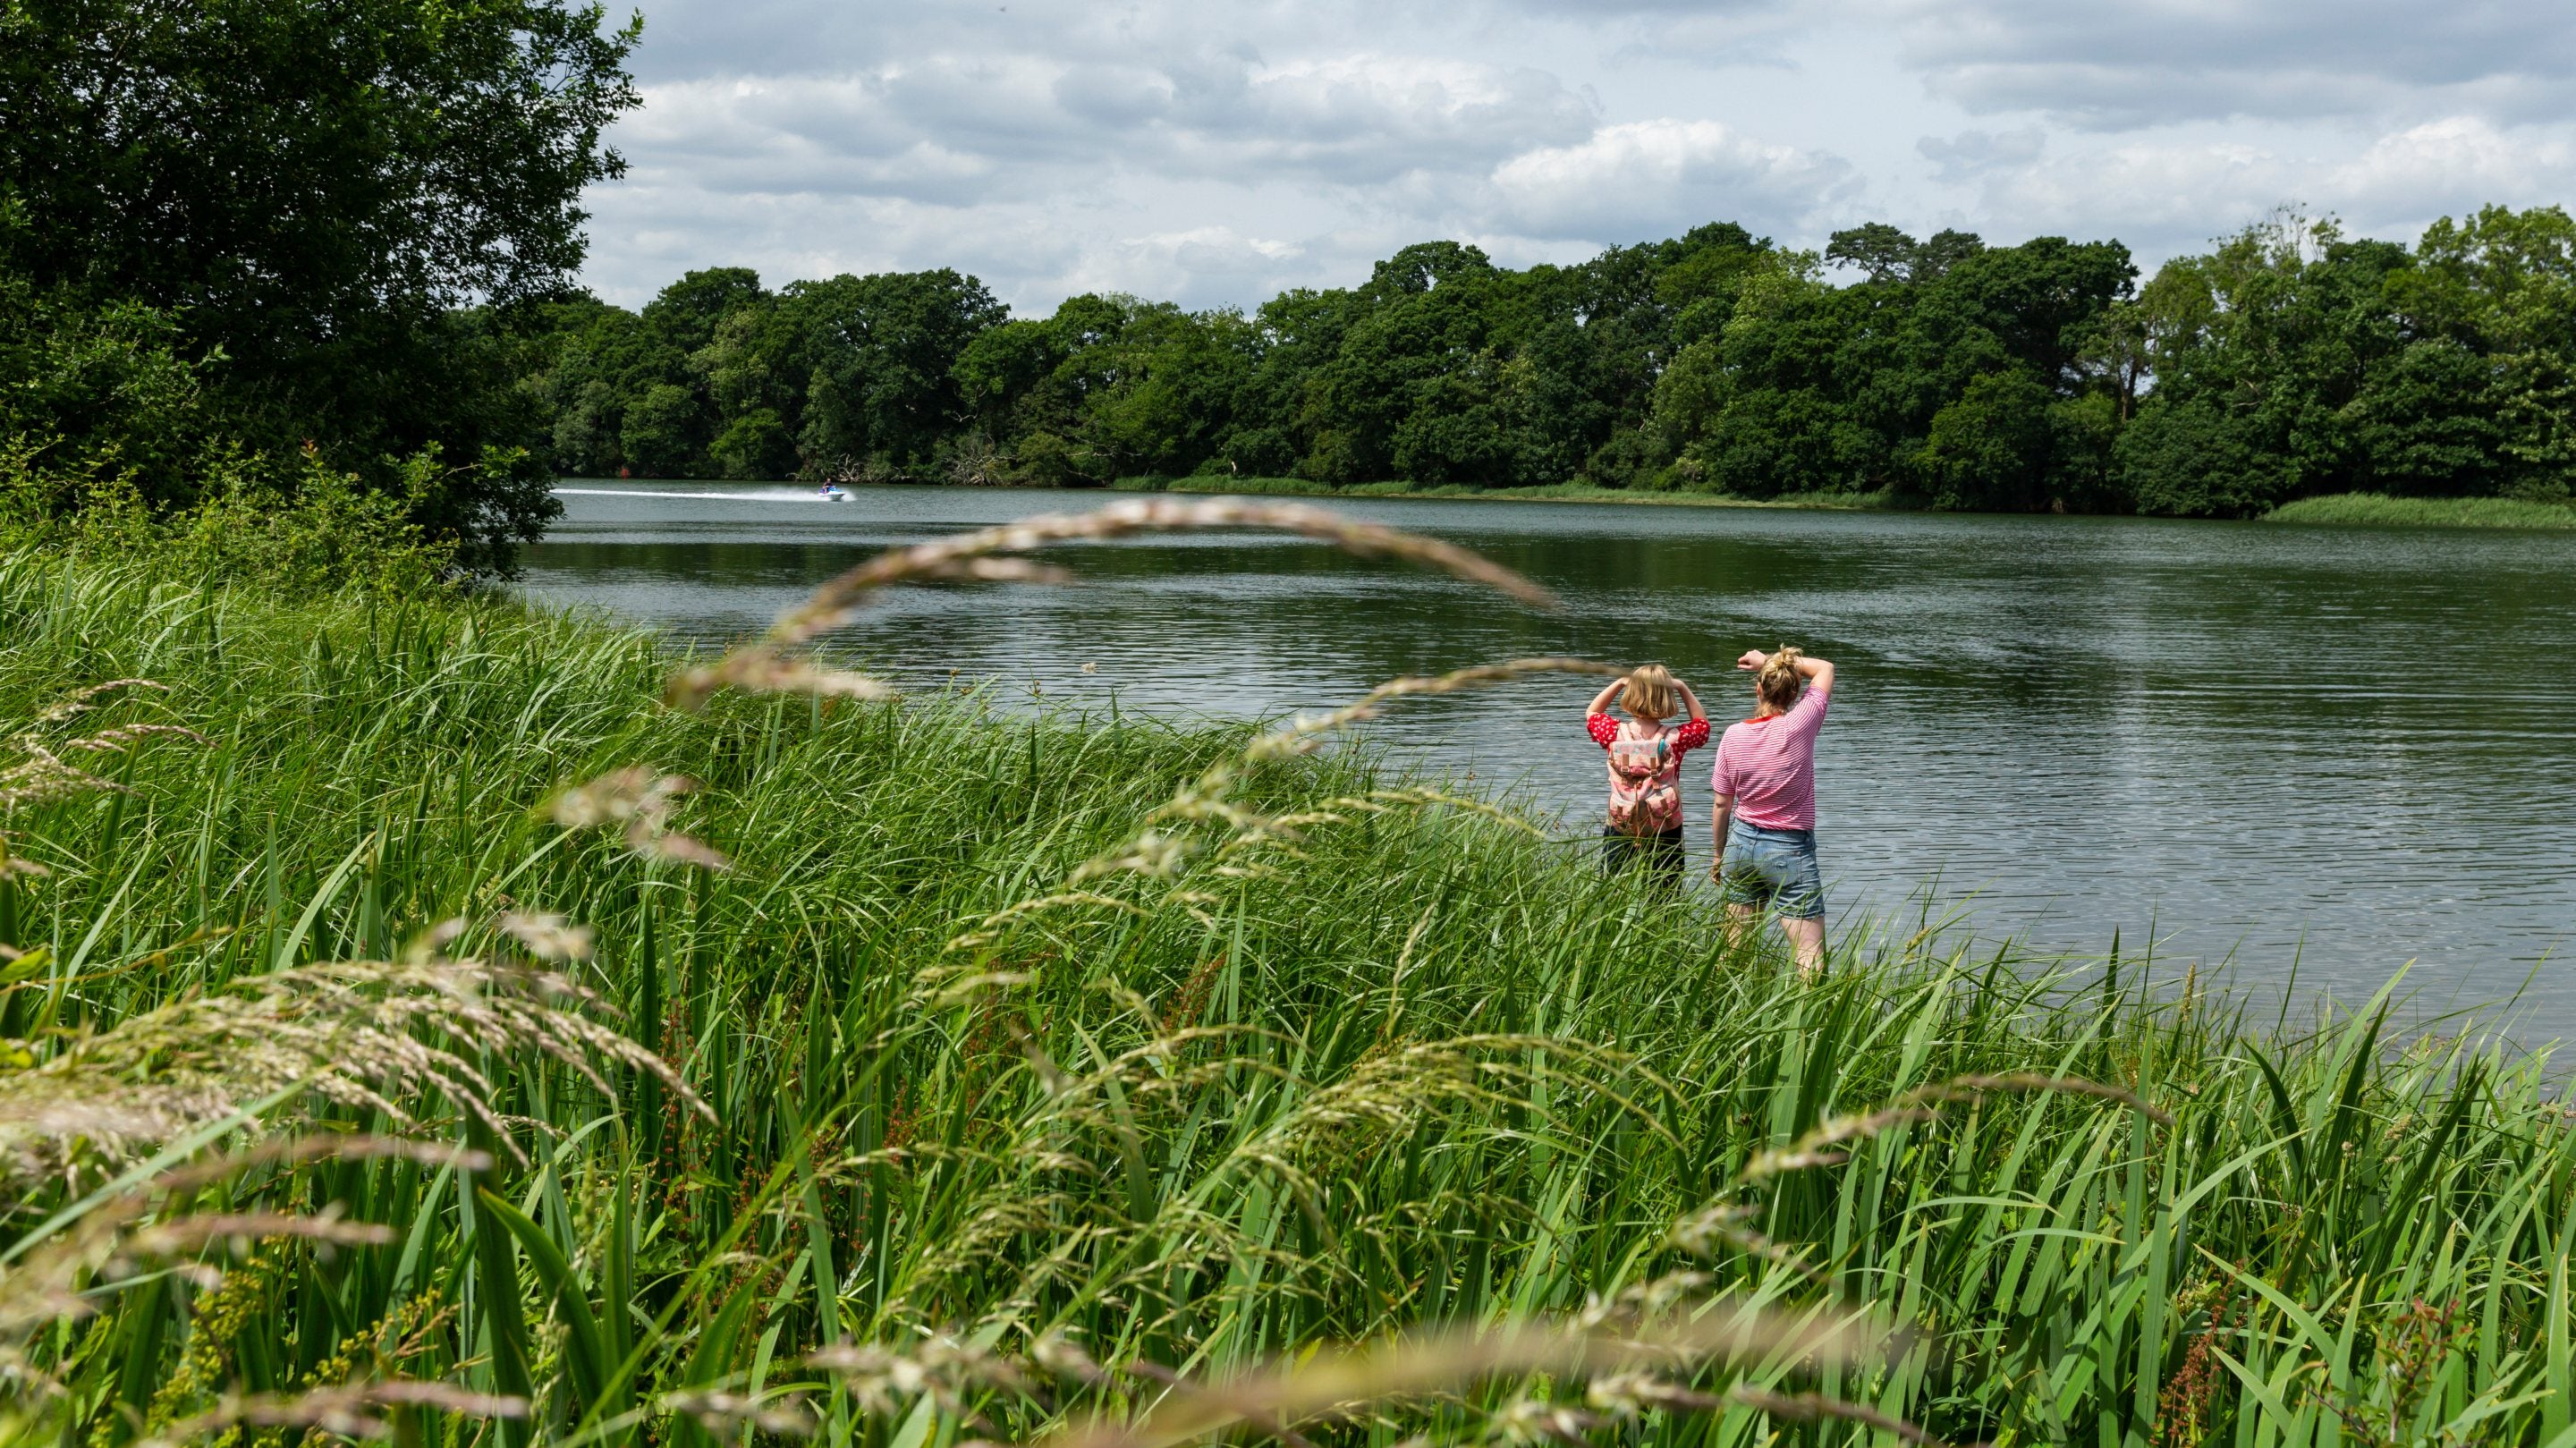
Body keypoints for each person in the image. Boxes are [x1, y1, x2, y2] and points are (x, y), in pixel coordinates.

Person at [1710, 646, 1835, 973]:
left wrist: (1718, 856)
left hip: (1740, 846)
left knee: (1733, 953)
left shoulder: (1733, 735)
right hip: (1788, 849)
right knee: (1809, 957)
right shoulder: (1799, 725)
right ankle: (1813, 1022)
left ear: (1758, 688)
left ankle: (1724, 1012)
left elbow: (1722, 803)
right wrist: (1768, 661)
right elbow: (1824, 668)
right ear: (1794, 693)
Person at [1583, 665, 1709, 893]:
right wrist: (1681, 686)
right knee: (1664, 898)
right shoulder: (1676, 739)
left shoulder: (1613, 733)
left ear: (1630, 693)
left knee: (1611, 893)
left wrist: (1620, 682)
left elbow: (1592, 714)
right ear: (1668, 697)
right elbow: (1702, 726)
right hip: (1665, 825)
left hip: (1622, 824)